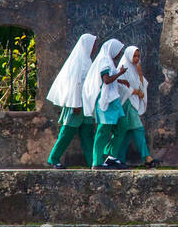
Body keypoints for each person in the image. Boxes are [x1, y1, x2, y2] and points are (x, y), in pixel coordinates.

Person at [44, 33, 97, 168]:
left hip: (85, 104)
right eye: (93, 44)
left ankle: (93, 162)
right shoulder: (78, 62)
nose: (95, 47)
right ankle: (53, 159)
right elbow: (74, 84)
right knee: (67, 132)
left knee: (87, 133)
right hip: (76, 104)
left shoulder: (87, 61)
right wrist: (75, 103)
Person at [82, 38, 128, 168]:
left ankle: (111, 156)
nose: (119, 54)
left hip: (114, 100)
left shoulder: (110, 62)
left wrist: (119, 80)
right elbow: (106, 80)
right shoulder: (104, 61)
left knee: (122, 125)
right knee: (103, 131)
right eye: (118, 51)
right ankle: (96, 162)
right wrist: (120, 73)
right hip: (106, 102)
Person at [115, 45, 157, 168]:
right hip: (126, 102)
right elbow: (120, 86)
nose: (137, 58)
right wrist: (134, 92)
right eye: (134, 56)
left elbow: (142, 85)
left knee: (127, 133)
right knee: (138, 128)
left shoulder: (135, 69)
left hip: (133, 102)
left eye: (138, 56)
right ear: (128, 55)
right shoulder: (123, 67)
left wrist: (140, 73)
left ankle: (119, 159)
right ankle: (147, 157)